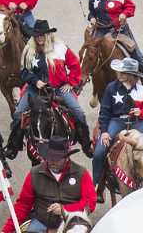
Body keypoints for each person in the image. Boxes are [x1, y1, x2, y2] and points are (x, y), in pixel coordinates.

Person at [10, 21, 90, 154]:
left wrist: (70, 83)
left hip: (58, 88)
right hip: (35, 89)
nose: (39, 38)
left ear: (48, 35)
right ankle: (13, 146)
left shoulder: (60, 47)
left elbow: (75, 65)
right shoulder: (29, 50)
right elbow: (24, 72)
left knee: (78, 112)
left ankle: (86, 144)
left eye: (42, 35)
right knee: (18, 113)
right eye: (37, 35)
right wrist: (35, 82)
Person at [92, 55, 143, 189]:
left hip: (137, 122)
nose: (118, 74)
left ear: (131, 75)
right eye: (119, 71)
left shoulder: (142, 91)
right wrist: (104, 132)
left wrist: (140, 113)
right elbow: (104, 112)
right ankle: (97, 185)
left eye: (122, 72)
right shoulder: (111, 88)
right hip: (116, 121)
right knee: (99, 152)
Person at [4, 132, 97, 233]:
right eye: (50, 157)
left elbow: (90, 203)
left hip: (73, 224)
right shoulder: (35, 173)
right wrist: (7, 230)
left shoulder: (81, 173)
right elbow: (23, 205)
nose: (52, 161)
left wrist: (64, 210)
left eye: (57, 159)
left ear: (66, 158)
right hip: (41, 223)